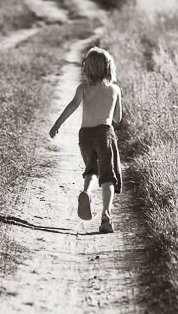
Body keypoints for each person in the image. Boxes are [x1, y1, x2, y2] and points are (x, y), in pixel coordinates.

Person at [49, 46, 123, 233]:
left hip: (85, 135)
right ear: (109, 68)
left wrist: (57, 125)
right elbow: (117, 118)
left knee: (91, 169)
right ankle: (106, 215)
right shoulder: (114, 90)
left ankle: (87, 193)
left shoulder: (83, 88)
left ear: (87, 68)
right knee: (107, 177)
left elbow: (72, 105)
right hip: (105, 134)